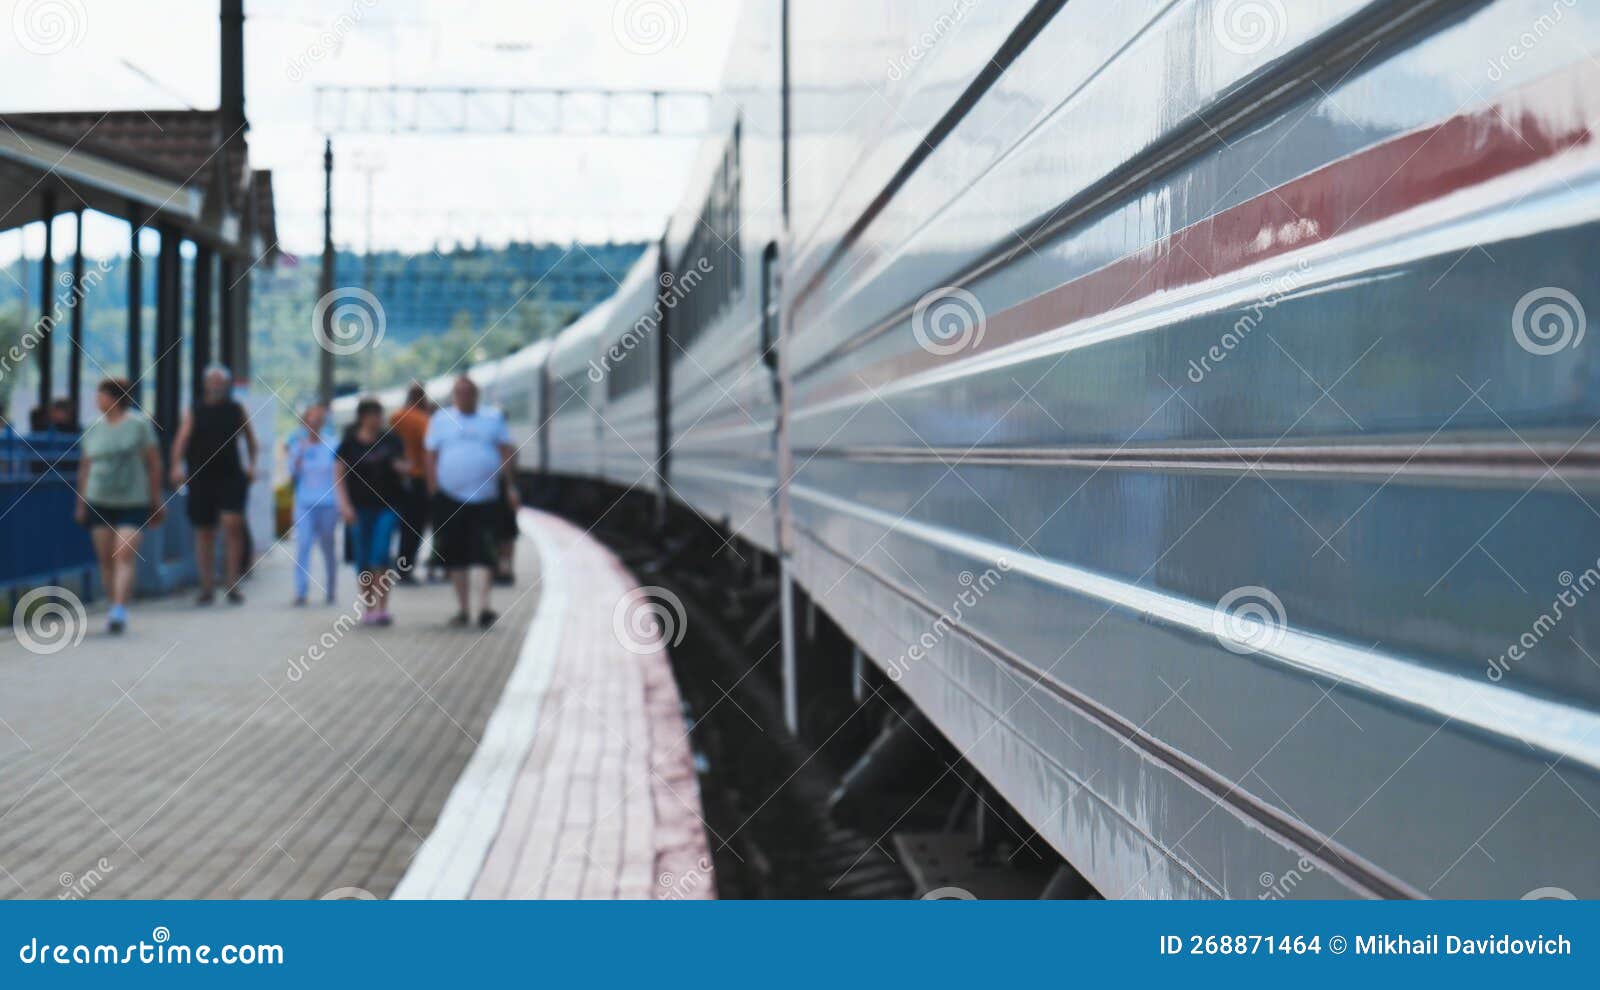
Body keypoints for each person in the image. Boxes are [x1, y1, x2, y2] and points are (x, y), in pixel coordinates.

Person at [74, 378, 164, 634]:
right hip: (99, 498)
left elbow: (154, 463)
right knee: (105, 557)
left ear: (114, 398)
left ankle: (119, 609)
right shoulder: (92, 427)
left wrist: (156, 500)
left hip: (133, 499)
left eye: (100, 395)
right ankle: (113, 602)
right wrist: (80, 503)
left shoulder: (139, 425)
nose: (96, 400)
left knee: (123, 552)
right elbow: (85, 467)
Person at [425, 375, 512, 628]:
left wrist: (511, 487)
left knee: (485, 552)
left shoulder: (493, 418)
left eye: (468, 392)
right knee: (456, 556)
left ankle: (483, 606)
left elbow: (506, 451)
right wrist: (433, 488)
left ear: (476, 395)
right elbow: (430, 454)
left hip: (486, 497)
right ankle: (463, 609)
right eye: (459, 393)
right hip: (450, 497)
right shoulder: (440, 420)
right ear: (454, 396)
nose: (464, 397)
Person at [170, 365, 257, 605]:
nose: (216, 385)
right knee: (204, 532)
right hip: (201, 476)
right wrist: (177, 465)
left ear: (226, 385)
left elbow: (250, 439)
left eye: (220, 381)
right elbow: (182, 439)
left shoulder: (236, 409)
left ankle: (232, 582)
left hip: (230, 475)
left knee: (233, 524)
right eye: (212, 381)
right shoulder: (195, 410)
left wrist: (252, 465)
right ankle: (207, 585)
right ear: (205, 384)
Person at [335, 397, 408, 626]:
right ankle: (368, 607)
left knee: (381, 554)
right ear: (363, 417)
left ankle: (382, 609)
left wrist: (402, 468)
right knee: (363, 559)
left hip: (387, 506)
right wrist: (344, 505)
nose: (377, 419)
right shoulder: (349, 443)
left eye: (379, 415)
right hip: (358, 509)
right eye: (372, 415)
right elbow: (338, 475)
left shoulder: (391, 440)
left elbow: (407, 466)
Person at [288, 402, 339, 606]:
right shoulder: (297, 446)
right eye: (310, 420)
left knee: (328, 546)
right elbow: (293, 473)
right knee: (304, 544)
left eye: (318, 420)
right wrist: (300, 451)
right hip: (304, 503)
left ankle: (331, 589)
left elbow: (339, 474)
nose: (313, 424)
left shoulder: (333, 444)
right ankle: (301, 591)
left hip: (328, 503)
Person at [388, 383, 433, 585]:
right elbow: (429, 451)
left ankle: (391, 564)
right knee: (414, 528)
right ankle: (405, 569)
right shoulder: (423, 421)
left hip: (395, 478)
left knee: (398, 525)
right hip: (418, 478)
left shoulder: (395, 417)